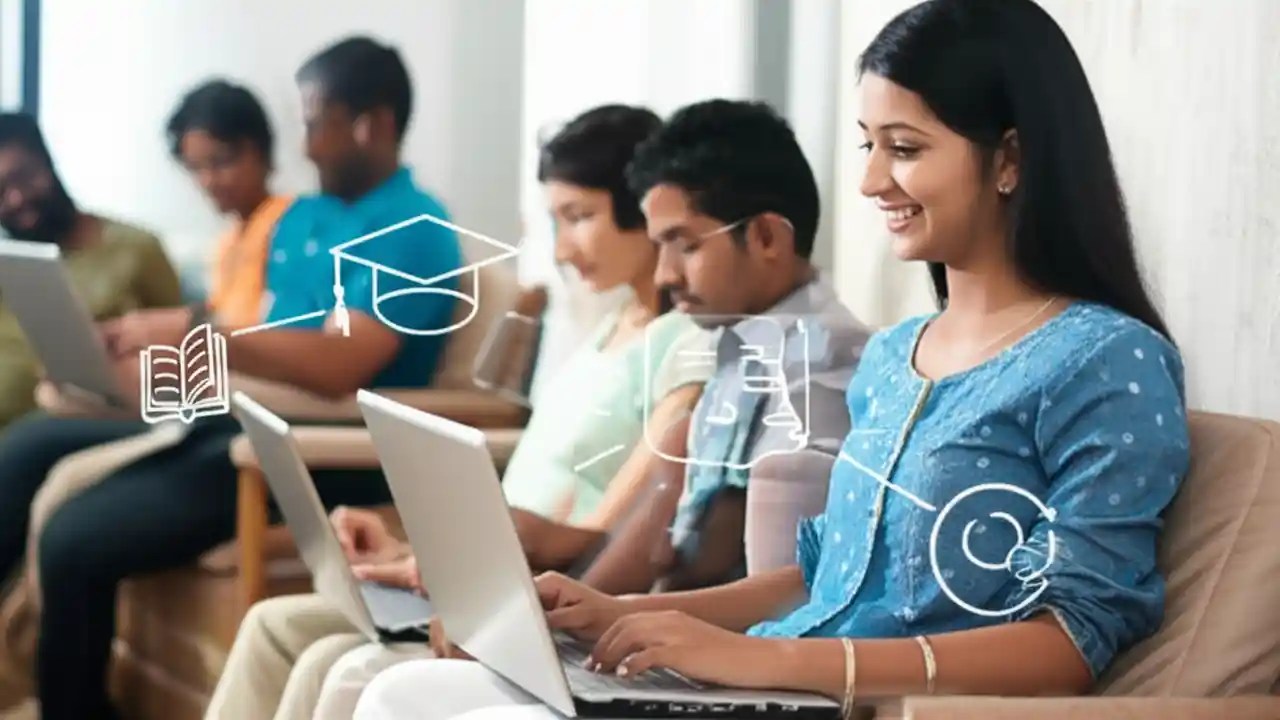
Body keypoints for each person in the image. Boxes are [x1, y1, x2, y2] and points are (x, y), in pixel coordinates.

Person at [354, 1, 1193, 717]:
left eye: (903, 148)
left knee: (413, 699)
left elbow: (1073, 639)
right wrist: (612, 613)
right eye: (867, 144)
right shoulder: (899, 354)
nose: (869, 182)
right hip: (781, 685)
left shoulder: (1106, 360)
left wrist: (770, 663)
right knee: (411, 690)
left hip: (848, 702)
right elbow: (826, 578)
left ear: (1009, 157)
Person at [207, 99, 871, 720]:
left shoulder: (810, 372)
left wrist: (592, 616)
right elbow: (653, 531)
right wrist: (550, 605)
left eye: (685, 244)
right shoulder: (741, 344)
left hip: (723, 670)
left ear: (766, 238)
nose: (666, 275)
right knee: (370, 675)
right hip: (652, 631)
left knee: (383, 686)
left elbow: (793, 608)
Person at [0, 35, 461, 720]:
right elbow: (261, 330)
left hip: (320, 442)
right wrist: (155, 349)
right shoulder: (313, 221)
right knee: (41, 447)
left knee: (74, 536)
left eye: (314, 122)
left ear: (371, 124)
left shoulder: (415, 229)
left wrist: (201, 337)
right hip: (244, 413)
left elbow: (341, 363)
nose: (303, 146)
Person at [0, 113, 182, 428]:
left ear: (47, 163)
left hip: (81, 431)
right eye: (0, 191)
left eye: (24, 177)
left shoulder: (136, 249)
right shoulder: (9, 265)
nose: (16, 199)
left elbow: (187, 357)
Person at [165, 78, 293, 328]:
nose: (209, 181)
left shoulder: (294, 223)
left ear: (261, 150)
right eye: (196, 168)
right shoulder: (226, 245)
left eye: (221, 162)